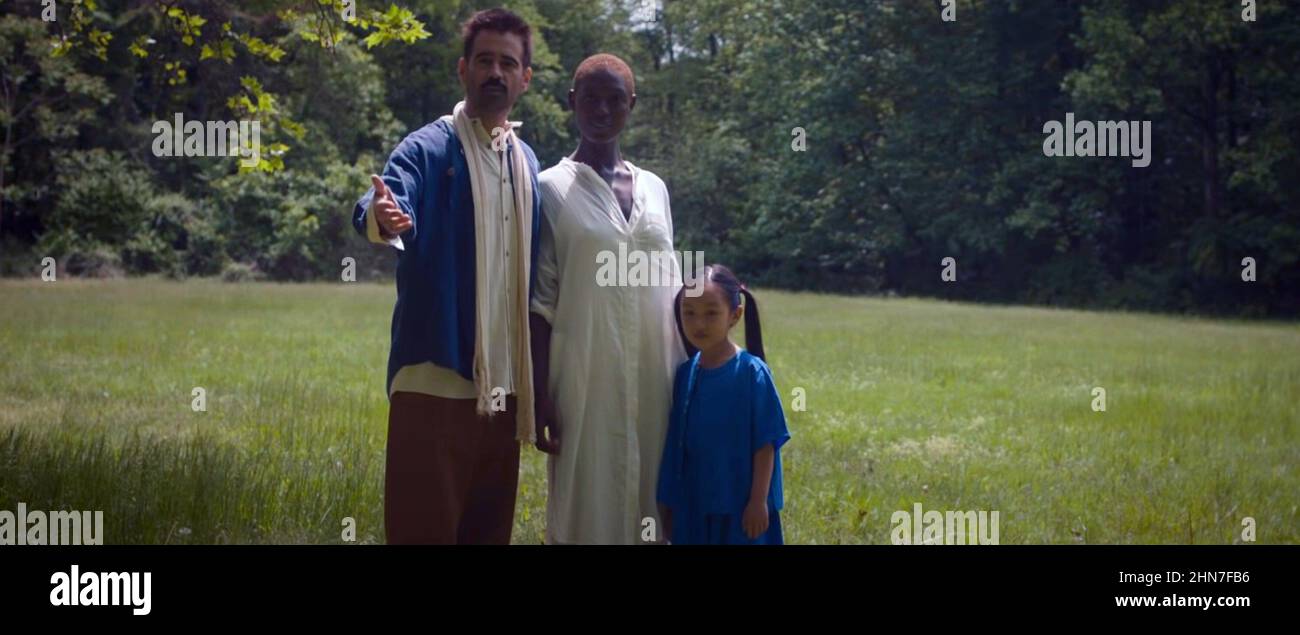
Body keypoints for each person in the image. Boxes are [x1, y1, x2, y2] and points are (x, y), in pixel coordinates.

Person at [351, 8, 540, 544]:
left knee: (487, 535)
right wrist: (380, 215)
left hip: (501, 393)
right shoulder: (429, 148)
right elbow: (388, 192)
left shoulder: (524, 162)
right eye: (484, 61)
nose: (495, 73)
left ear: (525, 78)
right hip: (433, 383)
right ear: (463, 70)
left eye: (508, 62)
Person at [529, 54, 686, 544]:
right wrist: (540, 398)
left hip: (656, 376)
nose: (602, 109)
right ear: (571, 102)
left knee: (657, 501)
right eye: (590, 99)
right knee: (586, 501)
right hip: (583, 376)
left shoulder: (655, 189)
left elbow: (674, 288)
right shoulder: (550, 188)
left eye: (614, 99)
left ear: (631, 105)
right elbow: (541, 302)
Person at [657, 264, 791, 544]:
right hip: (694, 505)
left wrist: (758, 501)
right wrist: (669, 502)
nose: (699, 324)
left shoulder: (751, 373)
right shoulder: (685, 374)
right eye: (689, 313)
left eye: (711, 313)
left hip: (740, 508)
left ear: (735, 315)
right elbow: (677, 444)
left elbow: (766, 443)